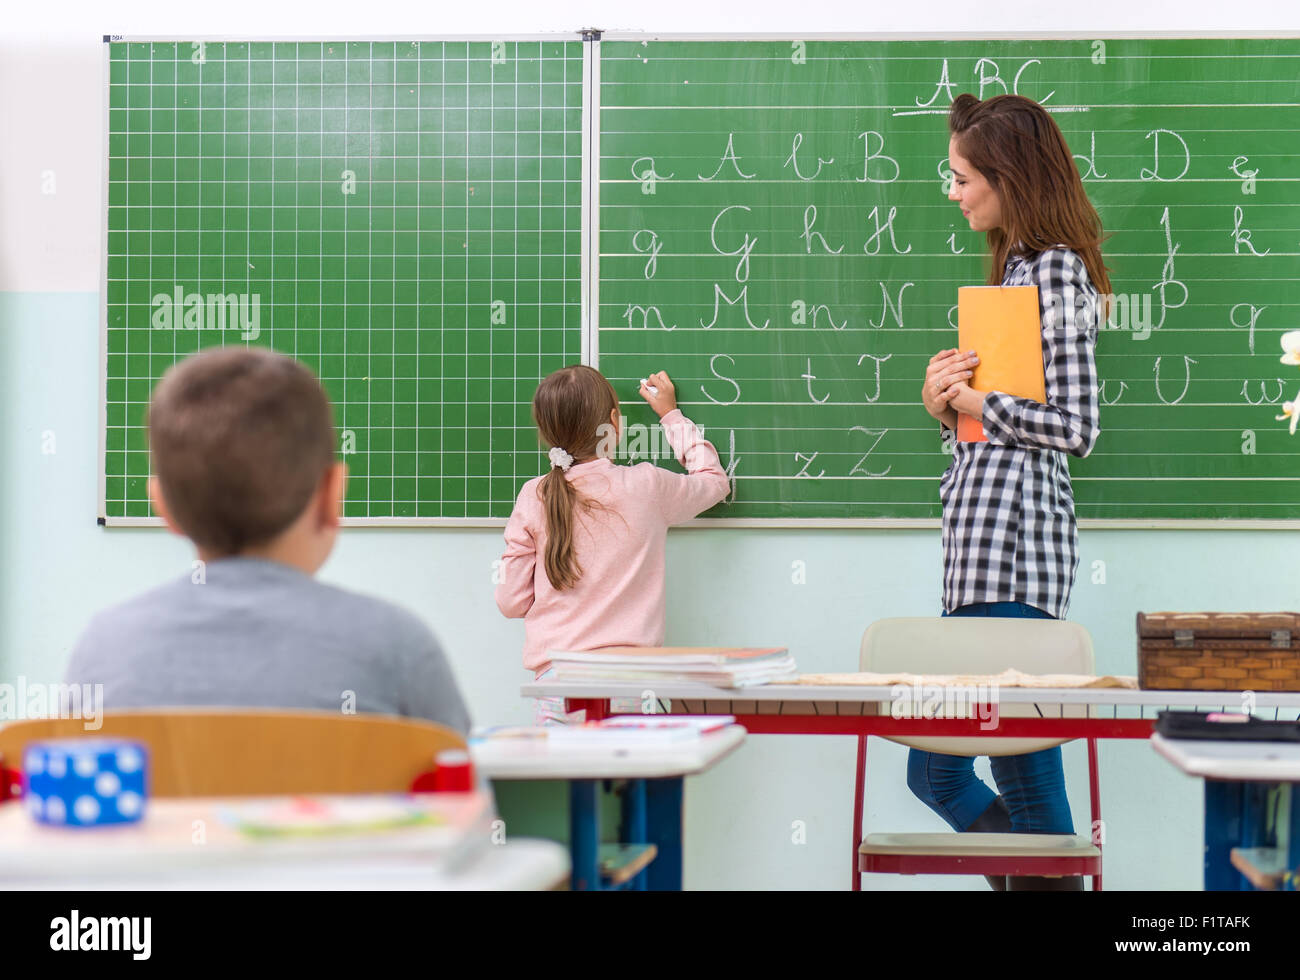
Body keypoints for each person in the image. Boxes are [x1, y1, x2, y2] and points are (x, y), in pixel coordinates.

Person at [66, 347, 470, 732]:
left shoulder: (103, 652)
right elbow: (464, 801)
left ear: (164, 509)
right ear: (332, 494)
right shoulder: (401, 649)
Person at [917, 93, 1108, 890]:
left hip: (1015, 566)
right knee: (943, 774)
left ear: (1006, 175)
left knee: (1016, 781)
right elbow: (1000, 430)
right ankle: (1042, 882)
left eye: (962, 177)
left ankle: (1048, 884)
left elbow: (1076, 424)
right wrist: (944, 405)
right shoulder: (1019, 268)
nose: (953, 191)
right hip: (982, 562)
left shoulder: (1056, 266)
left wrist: (971, 403)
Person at [495, 366, 730, 724]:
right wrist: (671, 416)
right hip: (633, 683)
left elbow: (511, 601)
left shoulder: (534, 495)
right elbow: (714, 482)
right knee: (634, 779)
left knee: (568, 779)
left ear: (545, 433)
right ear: (613, 423)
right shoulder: (646, 485)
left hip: (559, 686)